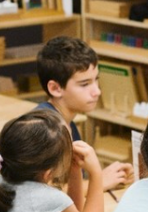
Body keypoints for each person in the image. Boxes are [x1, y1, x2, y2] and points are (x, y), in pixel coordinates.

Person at [36, 36, 133, 191]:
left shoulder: (68, 123)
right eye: (85, 84)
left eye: (96, 80)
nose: (97, 91)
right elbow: (46, 194)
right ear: (55, 88)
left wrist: (108, 176)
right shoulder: (45, 131)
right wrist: (98, 181)